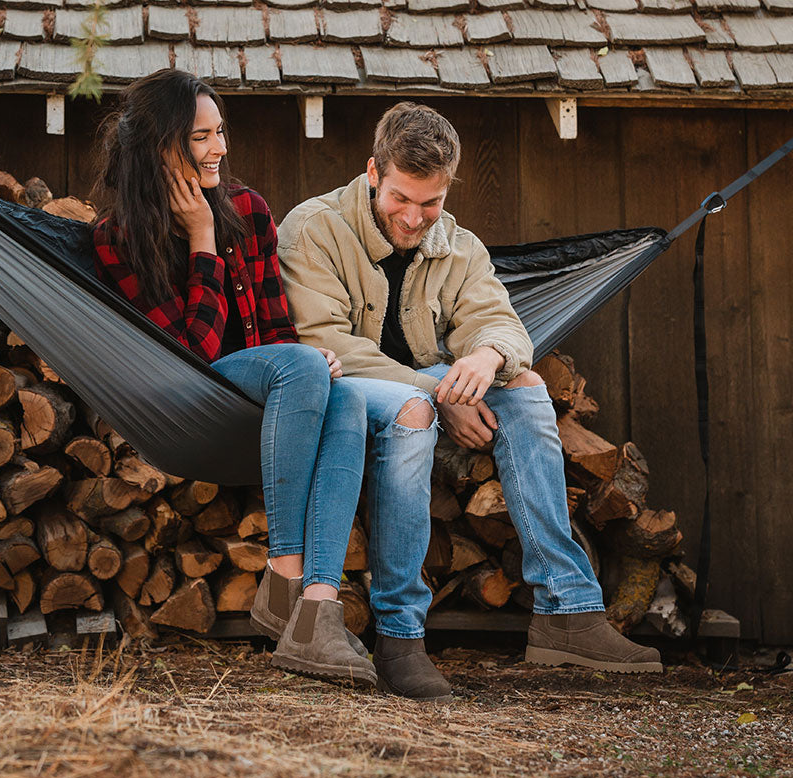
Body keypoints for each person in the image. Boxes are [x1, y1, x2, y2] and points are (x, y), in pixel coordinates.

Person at [277, 101, 663, 697]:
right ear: (374, 172)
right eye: (401, 199)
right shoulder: (313, 228)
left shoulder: (458, 244)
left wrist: (485, 359)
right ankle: (401, 636)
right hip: (344, 389)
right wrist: (441, 393)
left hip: (429, 379)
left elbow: (502, 325)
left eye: (430, 203)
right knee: (415, 416)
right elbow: (325, 344)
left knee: (529, 389)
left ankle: (566, 609)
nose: (413, 218)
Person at [91, 69, 375, 688]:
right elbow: (189, 351)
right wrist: (201, 242)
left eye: (220, 131)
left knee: (345, 392)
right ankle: (285, 577)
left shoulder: (248, 208)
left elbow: (276, 329)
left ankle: (317, 605)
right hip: (193, 401)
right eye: (201, 137)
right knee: (303, 367)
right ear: (161, 147)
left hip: (267, 394)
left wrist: (310, 368)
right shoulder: (117, 239)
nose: (219, 147)